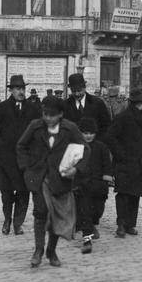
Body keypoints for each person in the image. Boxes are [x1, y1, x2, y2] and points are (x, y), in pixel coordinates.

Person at [17, 96, 84, 267]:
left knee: (56, 216)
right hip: (39, 178)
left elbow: (85, 150)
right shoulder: (35, 126)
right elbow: (21, 146)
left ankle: (51, 250)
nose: (47, 118)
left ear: (60, 114)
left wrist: (76, 169)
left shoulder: (70, 129)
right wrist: (26, 169)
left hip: (60, 179)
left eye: (52, 115)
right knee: (41, 211)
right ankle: (38, 250)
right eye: (45, 114)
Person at [0, 75, 41, 236]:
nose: (21, 92)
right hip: (6, 159)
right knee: (6, 192)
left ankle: (18, 223)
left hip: (26, 160)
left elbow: (39, 131)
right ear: (11, 90)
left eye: (23, 88)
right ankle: (7, 220)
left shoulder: (33, 109)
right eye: (17, 89)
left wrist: (35, 153)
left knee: (24, 192)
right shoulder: (1, 108)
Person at [104, 88, 142, 238]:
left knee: (136, 193)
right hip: (124, 162)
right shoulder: (123, 117)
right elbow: (110, 137)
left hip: (138, 162)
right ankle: (121, 225)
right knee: (124, 194)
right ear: (138, 104)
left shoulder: (140, 118)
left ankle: (130, 224)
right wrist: (120, 155)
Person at [76, 117, 114, 255]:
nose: (88, 136)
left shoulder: (101, 147)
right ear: (80, 133)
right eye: (85, 133)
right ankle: (87, 240)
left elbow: (107, 165)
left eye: (91, 133)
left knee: (98, 210)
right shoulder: (77, 147)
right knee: (85, 211)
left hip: (99, 186)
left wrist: (107, 178)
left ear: (95, 133)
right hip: (83, 186)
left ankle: (92, 224)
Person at [63, 73, 112, 142]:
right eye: (74, 91)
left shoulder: (97, 103)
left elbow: (106, 126)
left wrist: (98, 143)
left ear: (84, 87)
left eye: (79, 90)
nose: (77, 94)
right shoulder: (65, 105)